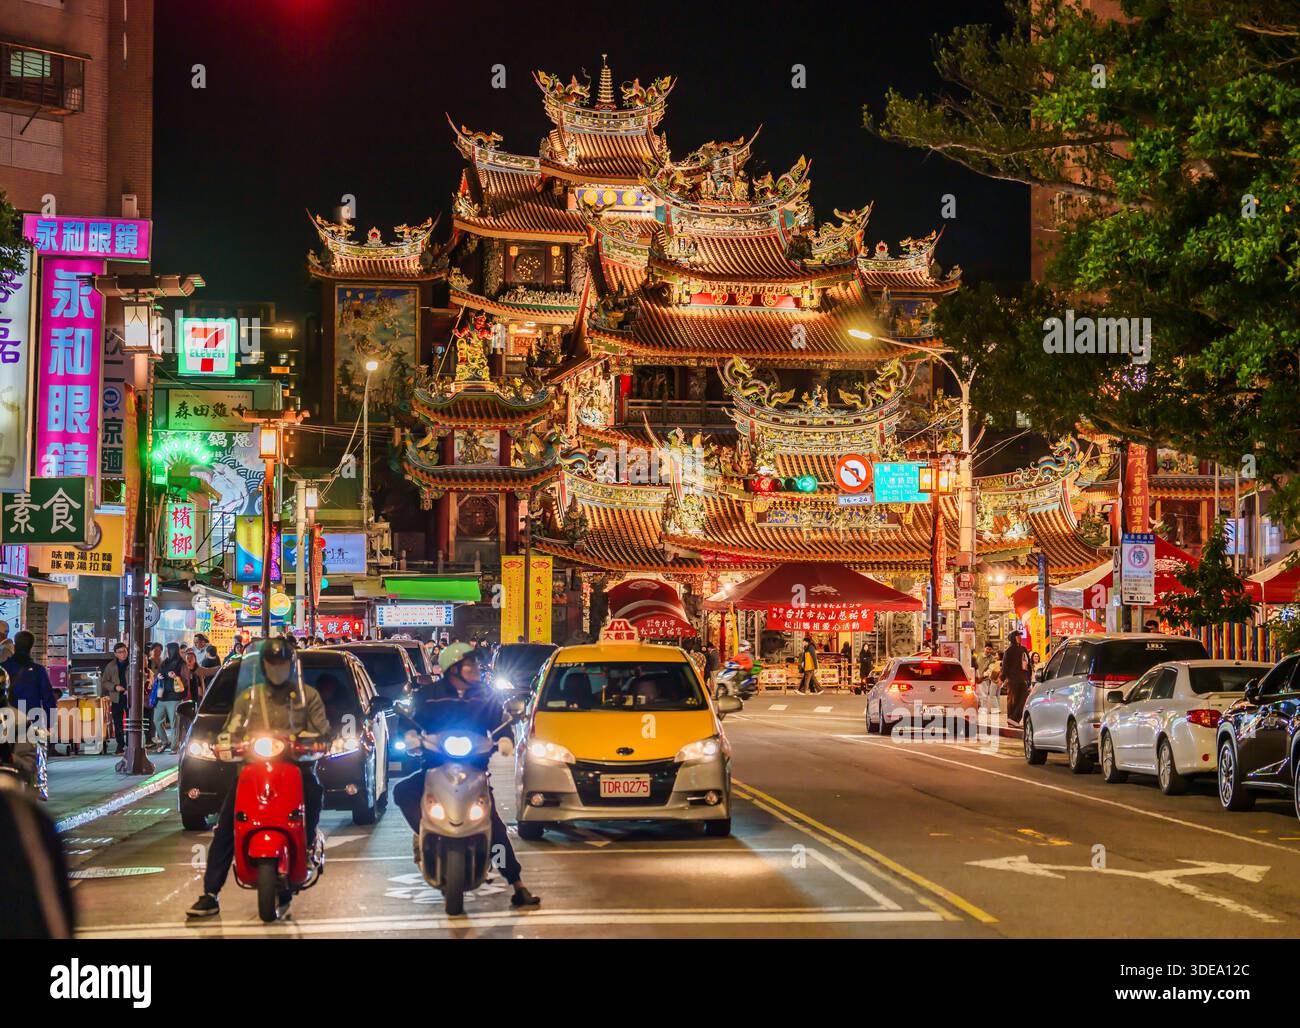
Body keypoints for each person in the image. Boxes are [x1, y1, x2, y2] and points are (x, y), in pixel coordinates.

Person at [187, 639, 330, 918]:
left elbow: (322, 729)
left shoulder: (307, 696)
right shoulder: (249, 697)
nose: (277, 669)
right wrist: (225, 743)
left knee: (313, 791)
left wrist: (309, 743)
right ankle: (210, 893)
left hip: (294, 768)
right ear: (264, 666)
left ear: (291, 666)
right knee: (227, 823)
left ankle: (309, 839)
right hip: (251, 770)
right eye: (272, 664)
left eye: (282, 664)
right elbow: (232, 727)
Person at [393, 643, 540, 908]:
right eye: (470, 665)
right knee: (402, 792)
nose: (476, 670)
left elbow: (499, 721)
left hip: (474, 770)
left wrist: (505, 738)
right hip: (435, 767)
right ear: (453, 668)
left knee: (494, 825)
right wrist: (410, 735)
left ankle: (517, 884)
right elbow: (410, 721)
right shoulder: (429, 695)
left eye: (475, 665)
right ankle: (424, 831)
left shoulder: (484, 697)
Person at [3, 632, 55, 747]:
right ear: (31, 648)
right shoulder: (38, 671)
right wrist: (50, 722)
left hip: (8, 719)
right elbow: (48, 698)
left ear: (15, 646)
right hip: (32, 720)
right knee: (31, 754)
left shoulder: (4, 668)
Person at [151, 642, 189, 754]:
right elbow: (157, 674)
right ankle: (164, 741)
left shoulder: (182, 664)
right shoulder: (165, 662)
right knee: (157, 720)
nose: (167, 652)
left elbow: (186, 681)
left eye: (169, 650)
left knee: (174, 723)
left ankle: (174, 747)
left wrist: (176, 677)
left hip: (175, 697)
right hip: (162, 696)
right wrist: (157, 676)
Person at [101, 643, 130, 754]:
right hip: (116, 698)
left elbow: (141, 678)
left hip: (129, 696)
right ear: (115, 654)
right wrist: (114, 687)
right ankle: (120, 745)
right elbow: (104, 682)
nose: (123, 654)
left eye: (124, 651)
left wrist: (130, 690)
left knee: (130, 722)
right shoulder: (111, 666)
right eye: (120, 652)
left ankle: (130, 744)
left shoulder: (132, 664)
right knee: (117, 722)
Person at [1001, 631, 1032, 726]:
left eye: (1020, 636)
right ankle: (1011, 718)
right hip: (1013, 679)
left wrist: (1029, 678)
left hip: (1022, 678)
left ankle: (1013, 719)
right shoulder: (1009, 651)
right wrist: (1002, 678)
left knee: (1022, 699)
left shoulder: (1023, 649)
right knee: (1013, 699)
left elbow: (1028, 664)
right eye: (1017, 636)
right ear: (1012, 638)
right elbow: (1005, 666)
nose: (1019, 637)